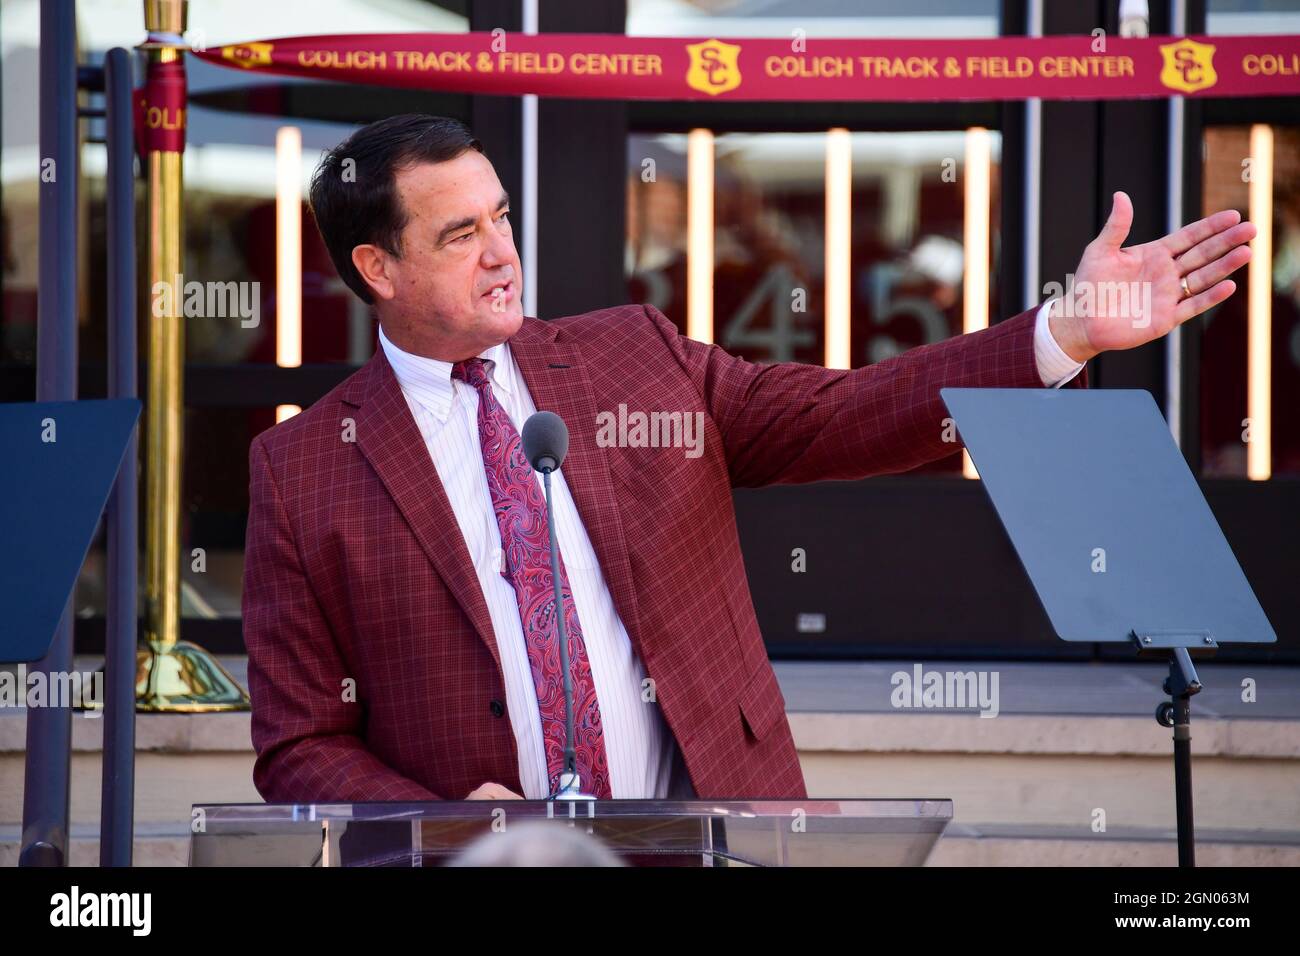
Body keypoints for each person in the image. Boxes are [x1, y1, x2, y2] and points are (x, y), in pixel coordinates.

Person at [243, 113, 1254, 804]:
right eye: (461, 233)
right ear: (377, 267)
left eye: (501, 215)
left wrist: (1061, 333)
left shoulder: (630, 356)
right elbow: (298, 748)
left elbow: (844, 411)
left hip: (717, 836)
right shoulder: (302, 470)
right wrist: (439, 824)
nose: (503, 250)